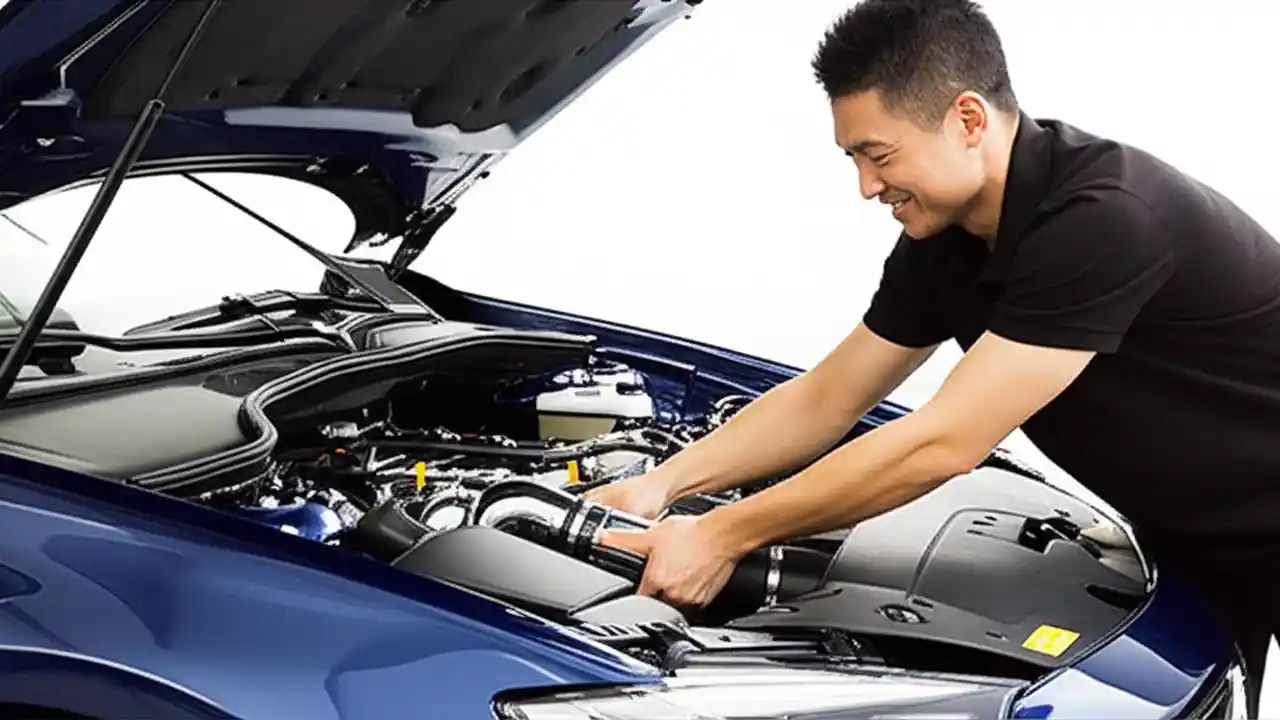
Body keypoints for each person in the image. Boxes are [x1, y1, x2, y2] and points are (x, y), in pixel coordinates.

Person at [588, 0, 1280, 714]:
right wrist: (661, 486)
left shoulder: (1105, 219)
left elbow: (944, 442)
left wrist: (721, 534)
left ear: (969, 120)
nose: (864, 186)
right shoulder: (943, 243)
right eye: (853, 157)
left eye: (879, 155)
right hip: (1196, 542)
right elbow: (827, 397)